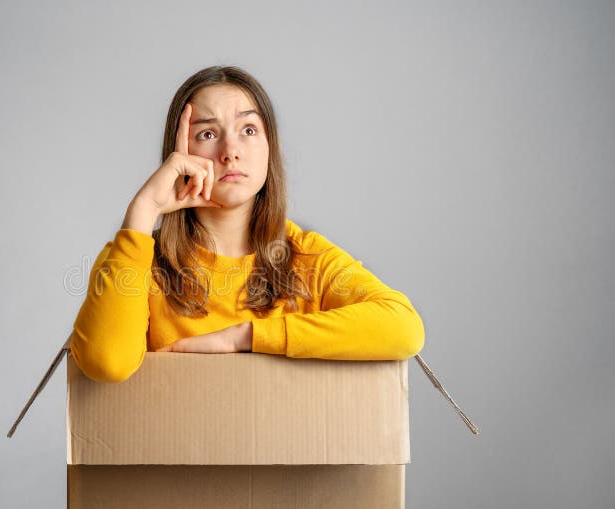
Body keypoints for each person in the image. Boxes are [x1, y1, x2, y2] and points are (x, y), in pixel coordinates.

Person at [69, 65, 425, 383]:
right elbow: (106, 362)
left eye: (249, 130)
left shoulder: (307, 257)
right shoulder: (131, 259)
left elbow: (403, 328)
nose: (230, 150)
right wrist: (144, 209)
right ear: (178, 154)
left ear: (270, 147)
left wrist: (243, 338)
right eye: (207, 134)